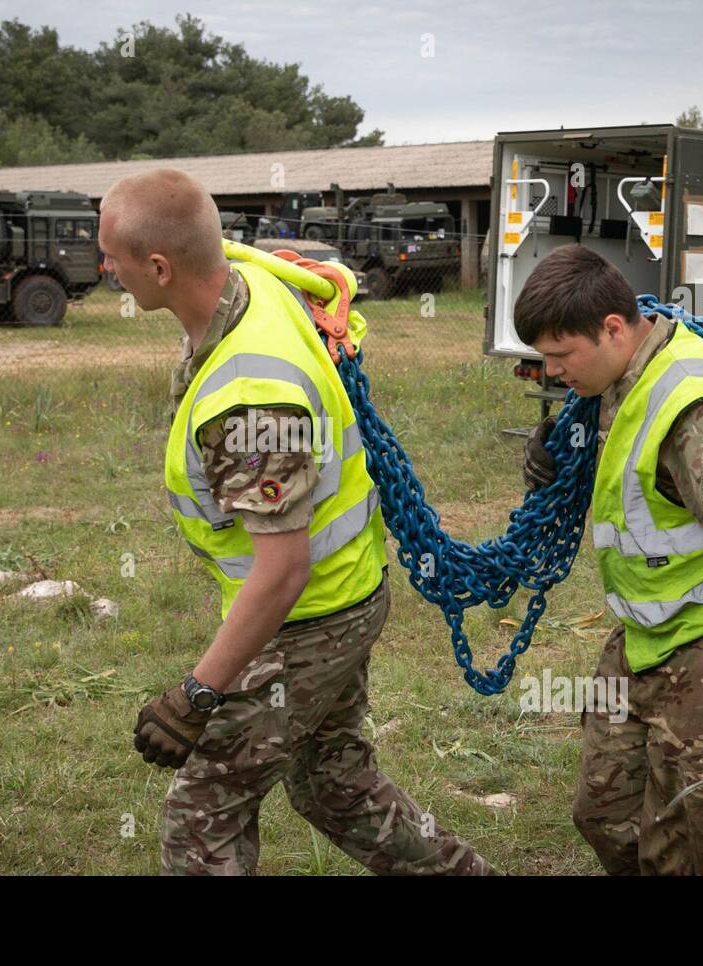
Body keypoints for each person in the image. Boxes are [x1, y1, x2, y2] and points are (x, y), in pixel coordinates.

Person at [100, 168, 491, 876]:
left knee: (203, 814)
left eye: (114, 257)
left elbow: (281, 571)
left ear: (158, 268)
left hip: (310, 619)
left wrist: (196, 695)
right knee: (334, 786)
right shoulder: (251, 277)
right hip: (347, 593)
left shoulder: (252, 402)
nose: (105, 268)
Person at [516, 245, 703, 875]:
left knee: (699, 840)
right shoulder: (619, 379)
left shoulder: (702, 414)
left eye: (561, 356)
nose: (552, 372)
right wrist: (559, 461)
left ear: (614, 328)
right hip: (644, 638)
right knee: (606, 817)